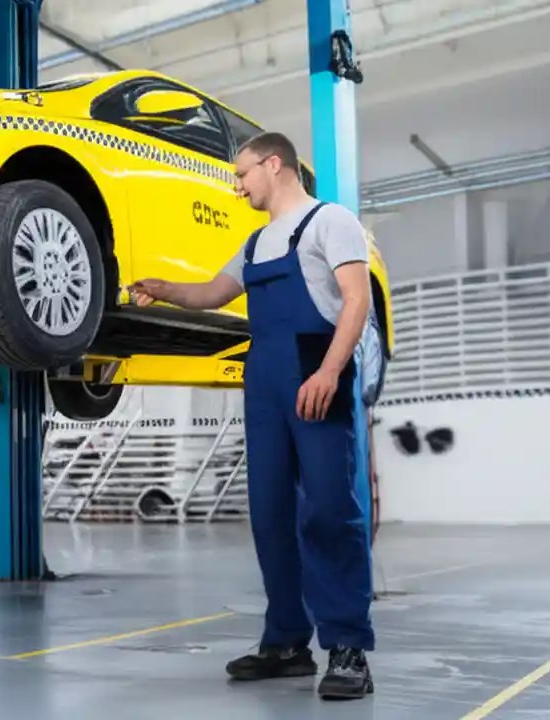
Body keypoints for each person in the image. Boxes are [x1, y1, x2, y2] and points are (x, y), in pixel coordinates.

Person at [129, 131, 375, 700]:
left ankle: (348, 650)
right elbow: (214, 294)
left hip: (315, 375)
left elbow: (356, 299)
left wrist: (331, 371)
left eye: (241, 175)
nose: (236, 187)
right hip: (263, 385)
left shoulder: (329, 222)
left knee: (330, 514)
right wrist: (165, 289)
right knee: (269, 516)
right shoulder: (256, 242)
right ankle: (288, 641)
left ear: (274, 165)